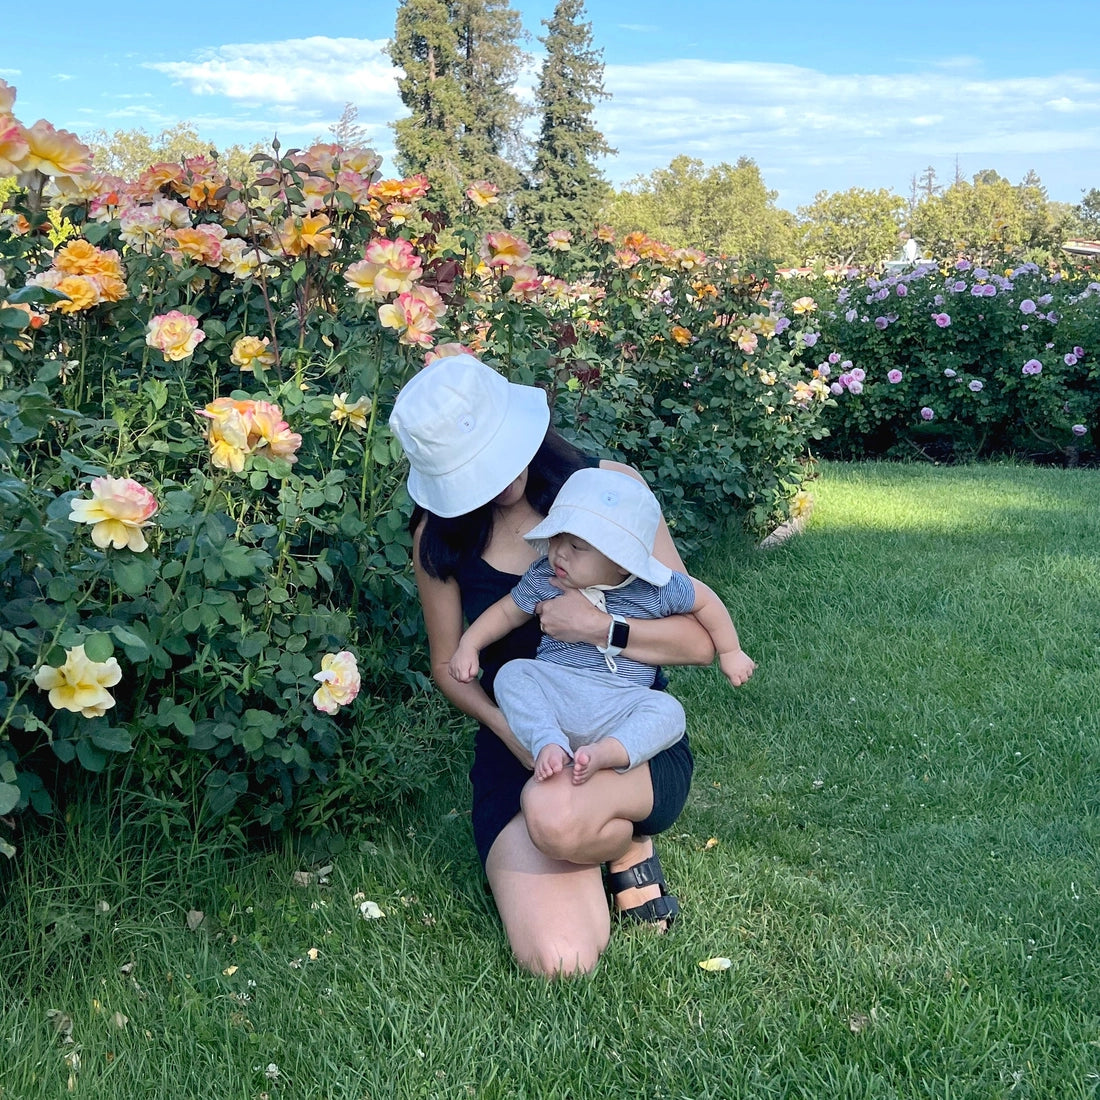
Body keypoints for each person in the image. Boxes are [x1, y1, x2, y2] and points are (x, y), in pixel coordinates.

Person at [388, 353, 721, 977]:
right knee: (560, 959)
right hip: (523, 745)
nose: (492, 485)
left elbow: (699, 642)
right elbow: (445, 665)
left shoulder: (610, 490)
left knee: (560, 822)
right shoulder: (439, 533)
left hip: (627, 737)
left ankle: (624, 837)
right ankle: (605, 838)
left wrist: (604, 628)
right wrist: (517, 738)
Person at [448, 467, 755, 785]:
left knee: (668, 710)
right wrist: (469, 645)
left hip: (620, 700)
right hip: (559, 690)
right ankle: (548, 742)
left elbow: (704, 600)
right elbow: (506, 612)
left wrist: (730, 651)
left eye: (577, 547)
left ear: (621, 561)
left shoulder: (654, 586)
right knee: (512, 675)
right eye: (556, 539)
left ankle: (609, 751)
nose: (559, 553)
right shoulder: (545, 577)